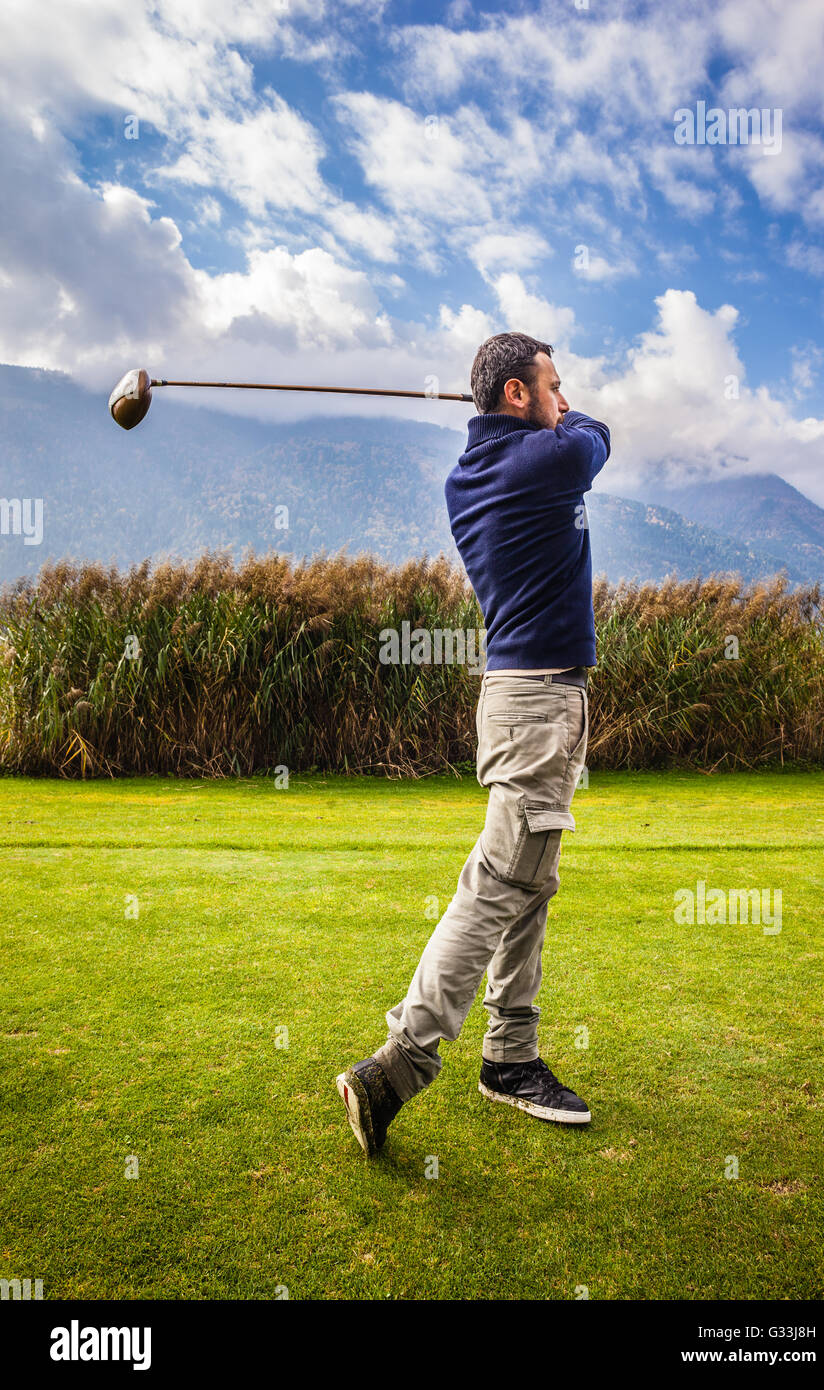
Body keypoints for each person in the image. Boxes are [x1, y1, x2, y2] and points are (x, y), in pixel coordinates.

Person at [336, 331, 611, 1157]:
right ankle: (399, 1063)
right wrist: (566, 413)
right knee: (498, 882)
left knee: (531, 880)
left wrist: (536, 407)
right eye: (552, 385)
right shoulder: (543, 460)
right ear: (518, 397)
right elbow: (597, 435)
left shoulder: (469, 475)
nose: (565, 398)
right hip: (536, 705)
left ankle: (510, 1057)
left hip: (523, 698)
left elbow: (568, 432)